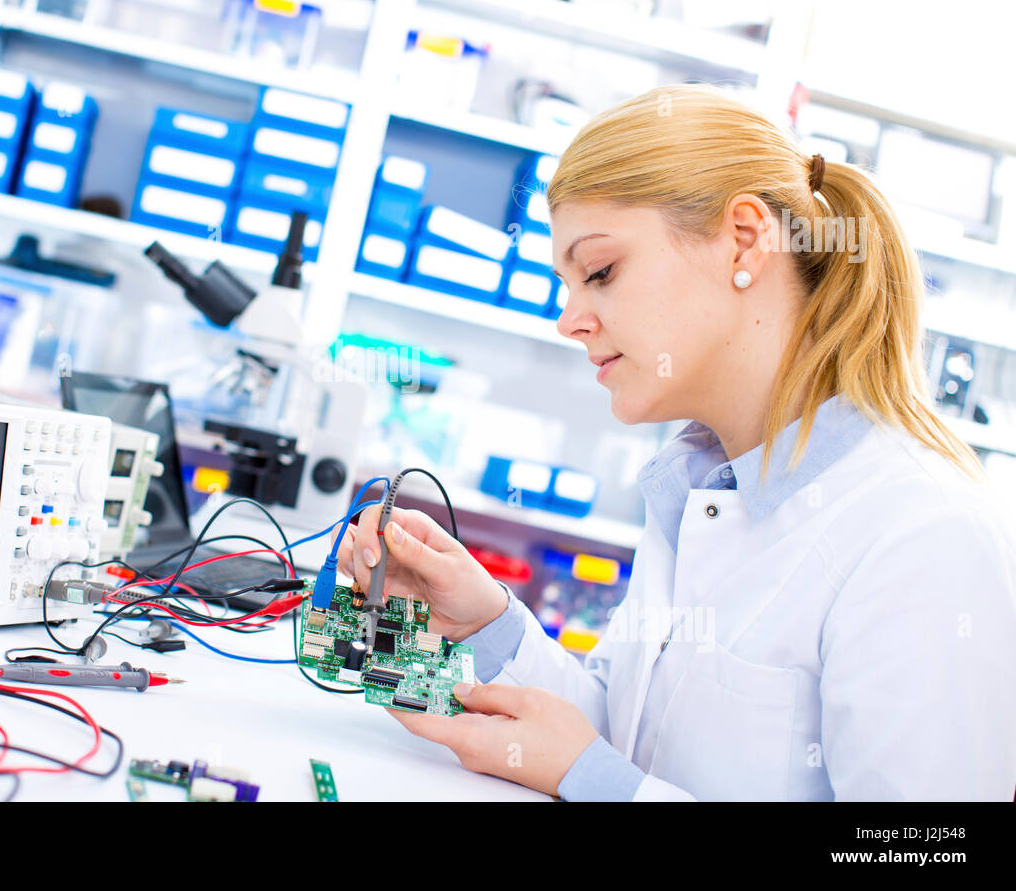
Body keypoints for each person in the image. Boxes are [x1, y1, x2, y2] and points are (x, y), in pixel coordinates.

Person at [336, 84, 1016, 801]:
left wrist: (601, 784)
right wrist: (486, 621)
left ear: (746, 240)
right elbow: (627, 736)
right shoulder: (705, 483)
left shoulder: (924, 536)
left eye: (600, 272)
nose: (570, 319)